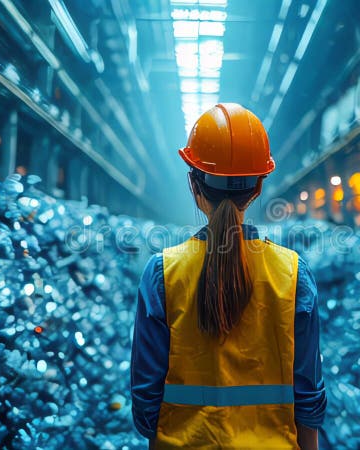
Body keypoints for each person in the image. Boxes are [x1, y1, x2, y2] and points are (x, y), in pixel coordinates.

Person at [130, 103, 326, 449]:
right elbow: (308, 400)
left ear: (194, 185)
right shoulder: (294, 274)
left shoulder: (162, 274)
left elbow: (146, 407)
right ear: (257, 188)